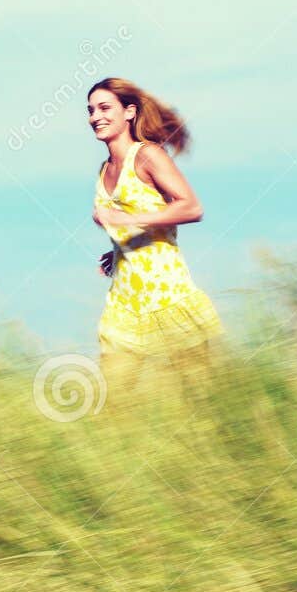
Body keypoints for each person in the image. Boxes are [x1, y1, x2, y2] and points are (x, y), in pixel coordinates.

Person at [88, 77, 223, 388]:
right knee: (114, 401)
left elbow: (191, 207)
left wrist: (124, 221)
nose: (96, 117)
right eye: (91, 110)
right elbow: (140, 224)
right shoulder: (104, 169)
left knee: (201, 395)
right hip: (123, 305)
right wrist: (121, 249)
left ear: (129, 112)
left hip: (168, 296)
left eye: (105, 108)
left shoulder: (147, 156)